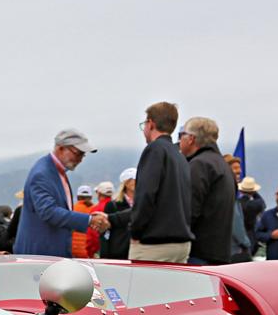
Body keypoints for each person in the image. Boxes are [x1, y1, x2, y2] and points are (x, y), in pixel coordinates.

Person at [12, 128, 108, 257]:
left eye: (83, 155)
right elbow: (48, 211)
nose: (80, 160)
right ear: (61, 149)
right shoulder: (43, 173)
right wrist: (89, 220)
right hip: (40, 255)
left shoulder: (55, 172)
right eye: (77, 154)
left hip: (49, 253)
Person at [122, 102, 193, 262]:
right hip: (181, 243)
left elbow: (146, 195)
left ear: (151, 123)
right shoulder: (178, 155)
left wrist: (135, 232)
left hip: (155, 245)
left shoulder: (155, 150)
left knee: (141, 287)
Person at [178, 117, 235, 265]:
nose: (179, 141)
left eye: (180, 136)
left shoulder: (199, 165)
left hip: (199, 252)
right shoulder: (223, 165)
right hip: (220, 252)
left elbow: (188, 211)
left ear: (191, 138)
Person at [99, 169, 137, 260]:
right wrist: (104, 256)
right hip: (118, 254)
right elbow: (104, 232)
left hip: (137, 253)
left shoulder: (144, 205)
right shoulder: (114, 205)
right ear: (126, 184)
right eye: (136, 180)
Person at [237, 176, 265, 259]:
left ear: (240, 190)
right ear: (254, 191)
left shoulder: (236, 203)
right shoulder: (256, 204)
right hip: (251, 238)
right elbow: (262, 203)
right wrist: (253, 190)